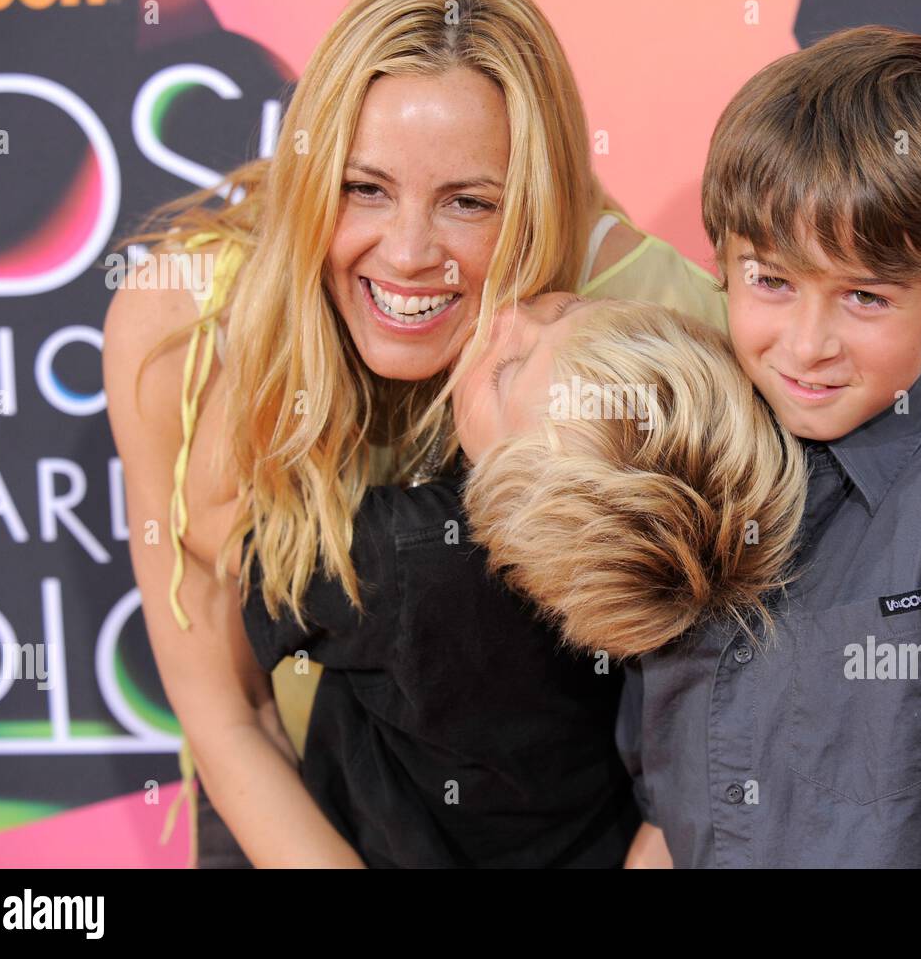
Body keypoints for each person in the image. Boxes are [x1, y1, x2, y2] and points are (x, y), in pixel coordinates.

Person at [104, 0, 921, 869]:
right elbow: (222, 706)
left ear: (543, 198)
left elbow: (857, 499)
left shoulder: (661, 315)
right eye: (362, 188)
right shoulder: (191, 331)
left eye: (471, 202)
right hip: (296, 811)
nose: (409, 253)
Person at [554, 24, 921, 867]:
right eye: (771, 280)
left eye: (865, 295)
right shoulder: (692, 465)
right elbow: (672, 806)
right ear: (721, 261)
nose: (806, 344)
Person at [241, 293, 808, 865]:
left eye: (506, 376)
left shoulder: (400, 559)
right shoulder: (656, 598)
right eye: (565, 309)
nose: (507, 317)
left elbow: (244, 555)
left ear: (503, 498)